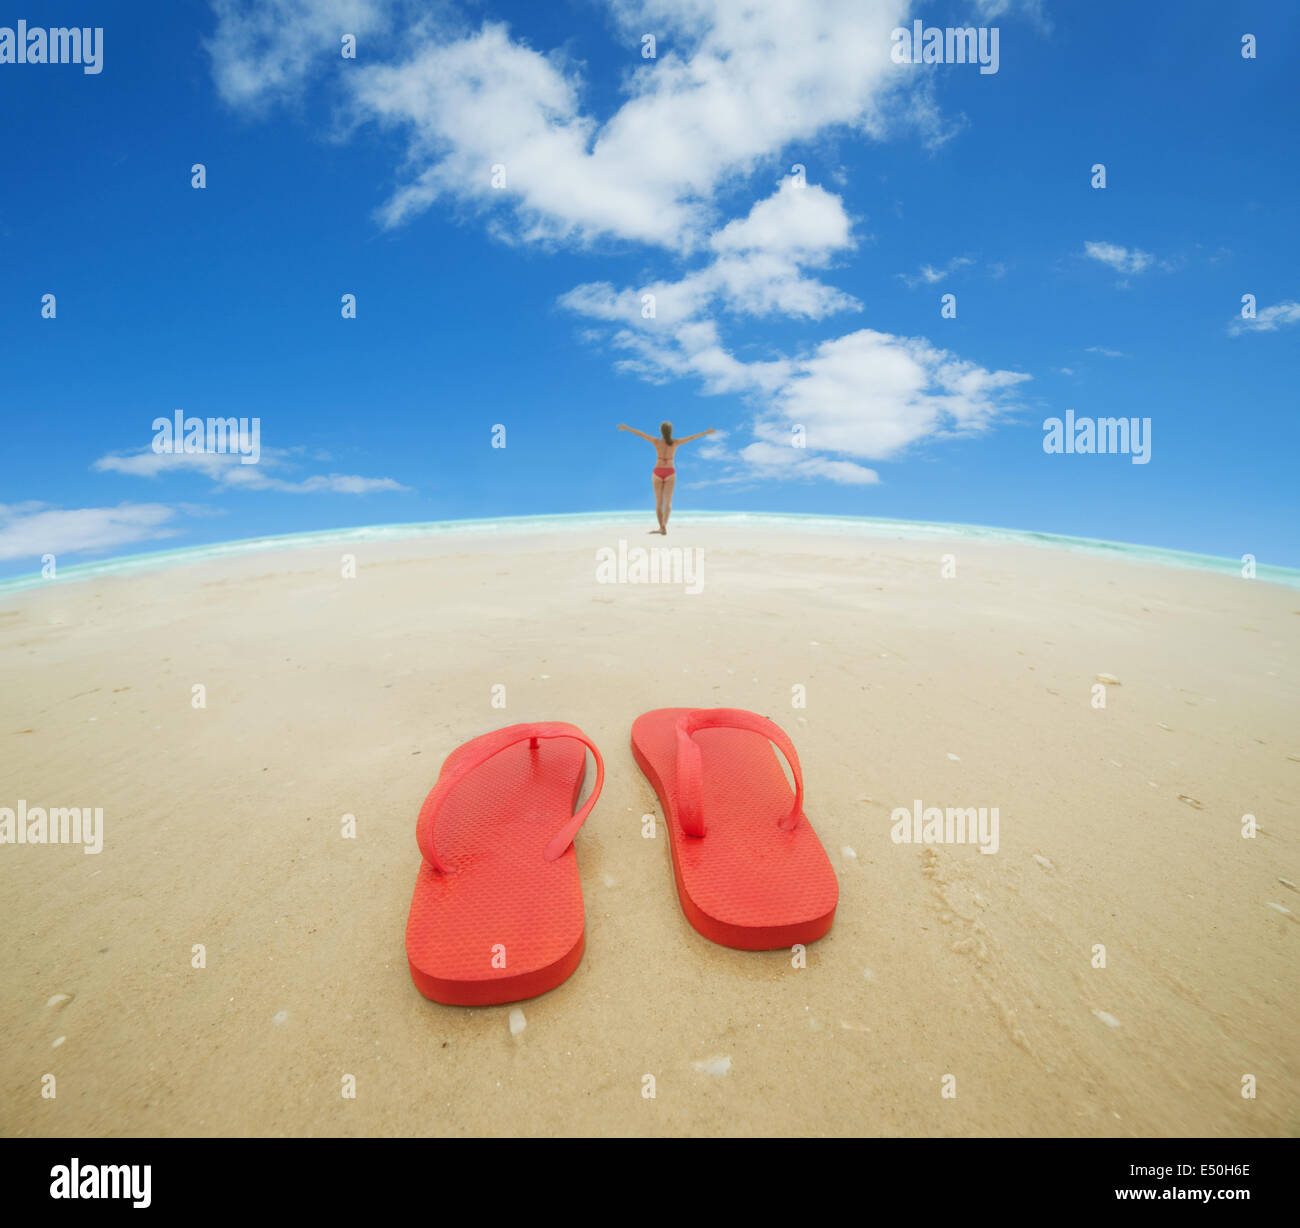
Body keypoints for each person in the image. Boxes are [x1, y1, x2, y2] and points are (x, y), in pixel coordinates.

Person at [618, 421, 715, 534]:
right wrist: (706, 432)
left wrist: (627, 427)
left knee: (659, 503)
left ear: (661, 431)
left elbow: (641, 434)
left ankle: (661, 528)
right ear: (671, 431)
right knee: (668, 503)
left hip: (658, 471)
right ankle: (663, 526)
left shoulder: (656, 441)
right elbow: (692, 437)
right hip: (670, 471)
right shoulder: (676, 442)